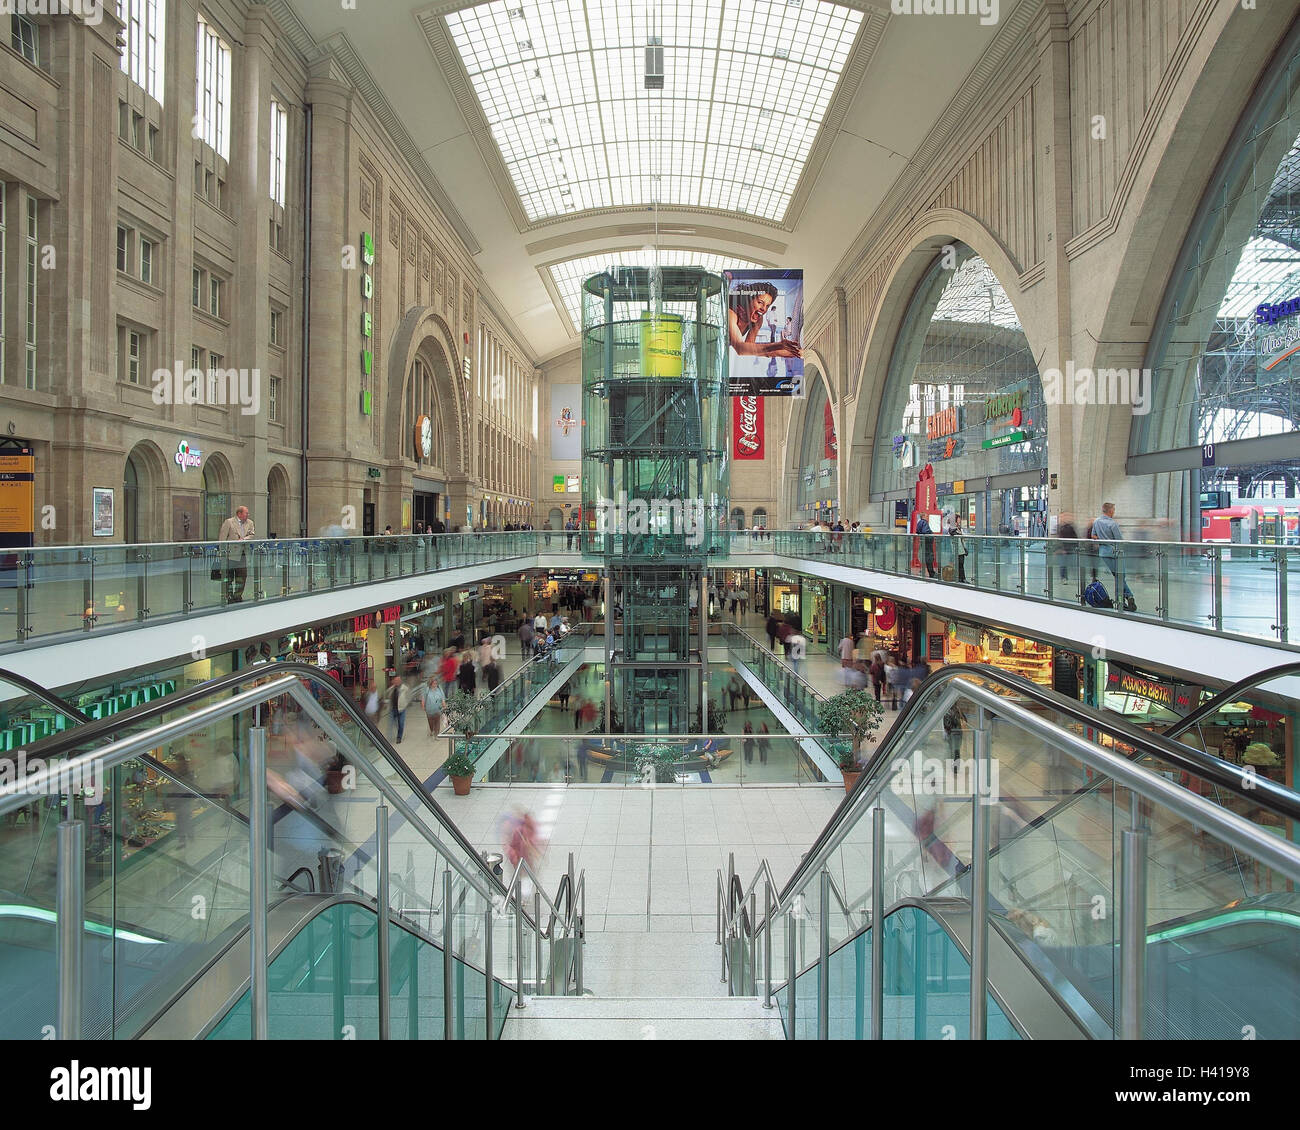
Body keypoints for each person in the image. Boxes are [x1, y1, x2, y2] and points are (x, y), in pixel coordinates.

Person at [726, 280, 801, 360]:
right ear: (748, 300)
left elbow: (749, 350)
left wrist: (795, 353)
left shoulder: (758, 320)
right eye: (760, 302)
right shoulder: (731, 314)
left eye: (767, 306)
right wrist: (779, 345)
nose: (764, 309)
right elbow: (740, 349)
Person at [1091, 502, 1137, 611]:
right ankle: (1126, 597)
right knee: (1120, 576)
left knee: (1117, 577)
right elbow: (1119, 540)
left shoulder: (1096, 522)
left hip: (1103, 552)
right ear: (1110, 511)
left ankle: (1123, 599)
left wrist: (1102, 539)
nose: (1114, 512)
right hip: (1115, 553)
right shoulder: (1113, 524)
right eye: (1114, 509)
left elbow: (1093, 536)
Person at [218, 505, 256, 602]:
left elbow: (252, 535)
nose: (248, 515)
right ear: (239, 513)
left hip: (243, 554)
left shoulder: (250, 523)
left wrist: (244, 539)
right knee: (229, 577)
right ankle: (229, 596)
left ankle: (237, 596)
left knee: (242, 576)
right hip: (230, 555)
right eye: (246, 513)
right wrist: (222, 555)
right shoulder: (229, 522)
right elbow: (222, 539)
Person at [944, 509, 969, 583]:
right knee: (959, 564)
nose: (960, 520)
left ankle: (961, 578)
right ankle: (961, 578)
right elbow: (952, 532)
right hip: (957, 548)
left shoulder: (958, 527)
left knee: (961, 564)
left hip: (961, 548)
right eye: (959, 518)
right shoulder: (953, 527)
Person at [387, 675, 412, 745]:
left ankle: (399, 737)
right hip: (393, 709)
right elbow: (387, 696)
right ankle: (389, 738)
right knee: (391, 724)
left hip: (401, 709)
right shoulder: (391, 689)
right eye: (395, 680)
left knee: (401, 723)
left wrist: (405, 704)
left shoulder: (404, 688)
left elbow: (409, 696)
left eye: (398, 680)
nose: (397, 681)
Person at [914, 512, 937, 578]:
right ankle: (931, 573)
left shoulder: (919, 522)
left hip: (923, 542)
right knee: (929, 557)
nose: (927, 517)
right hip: (927, 542)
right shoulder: (924, 522)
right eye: (927, 516)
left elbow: (918, 531)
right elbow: (925, 531)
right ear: (923, 516)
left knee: (926, 556)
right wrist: (931, 534)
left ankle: (931, 572)